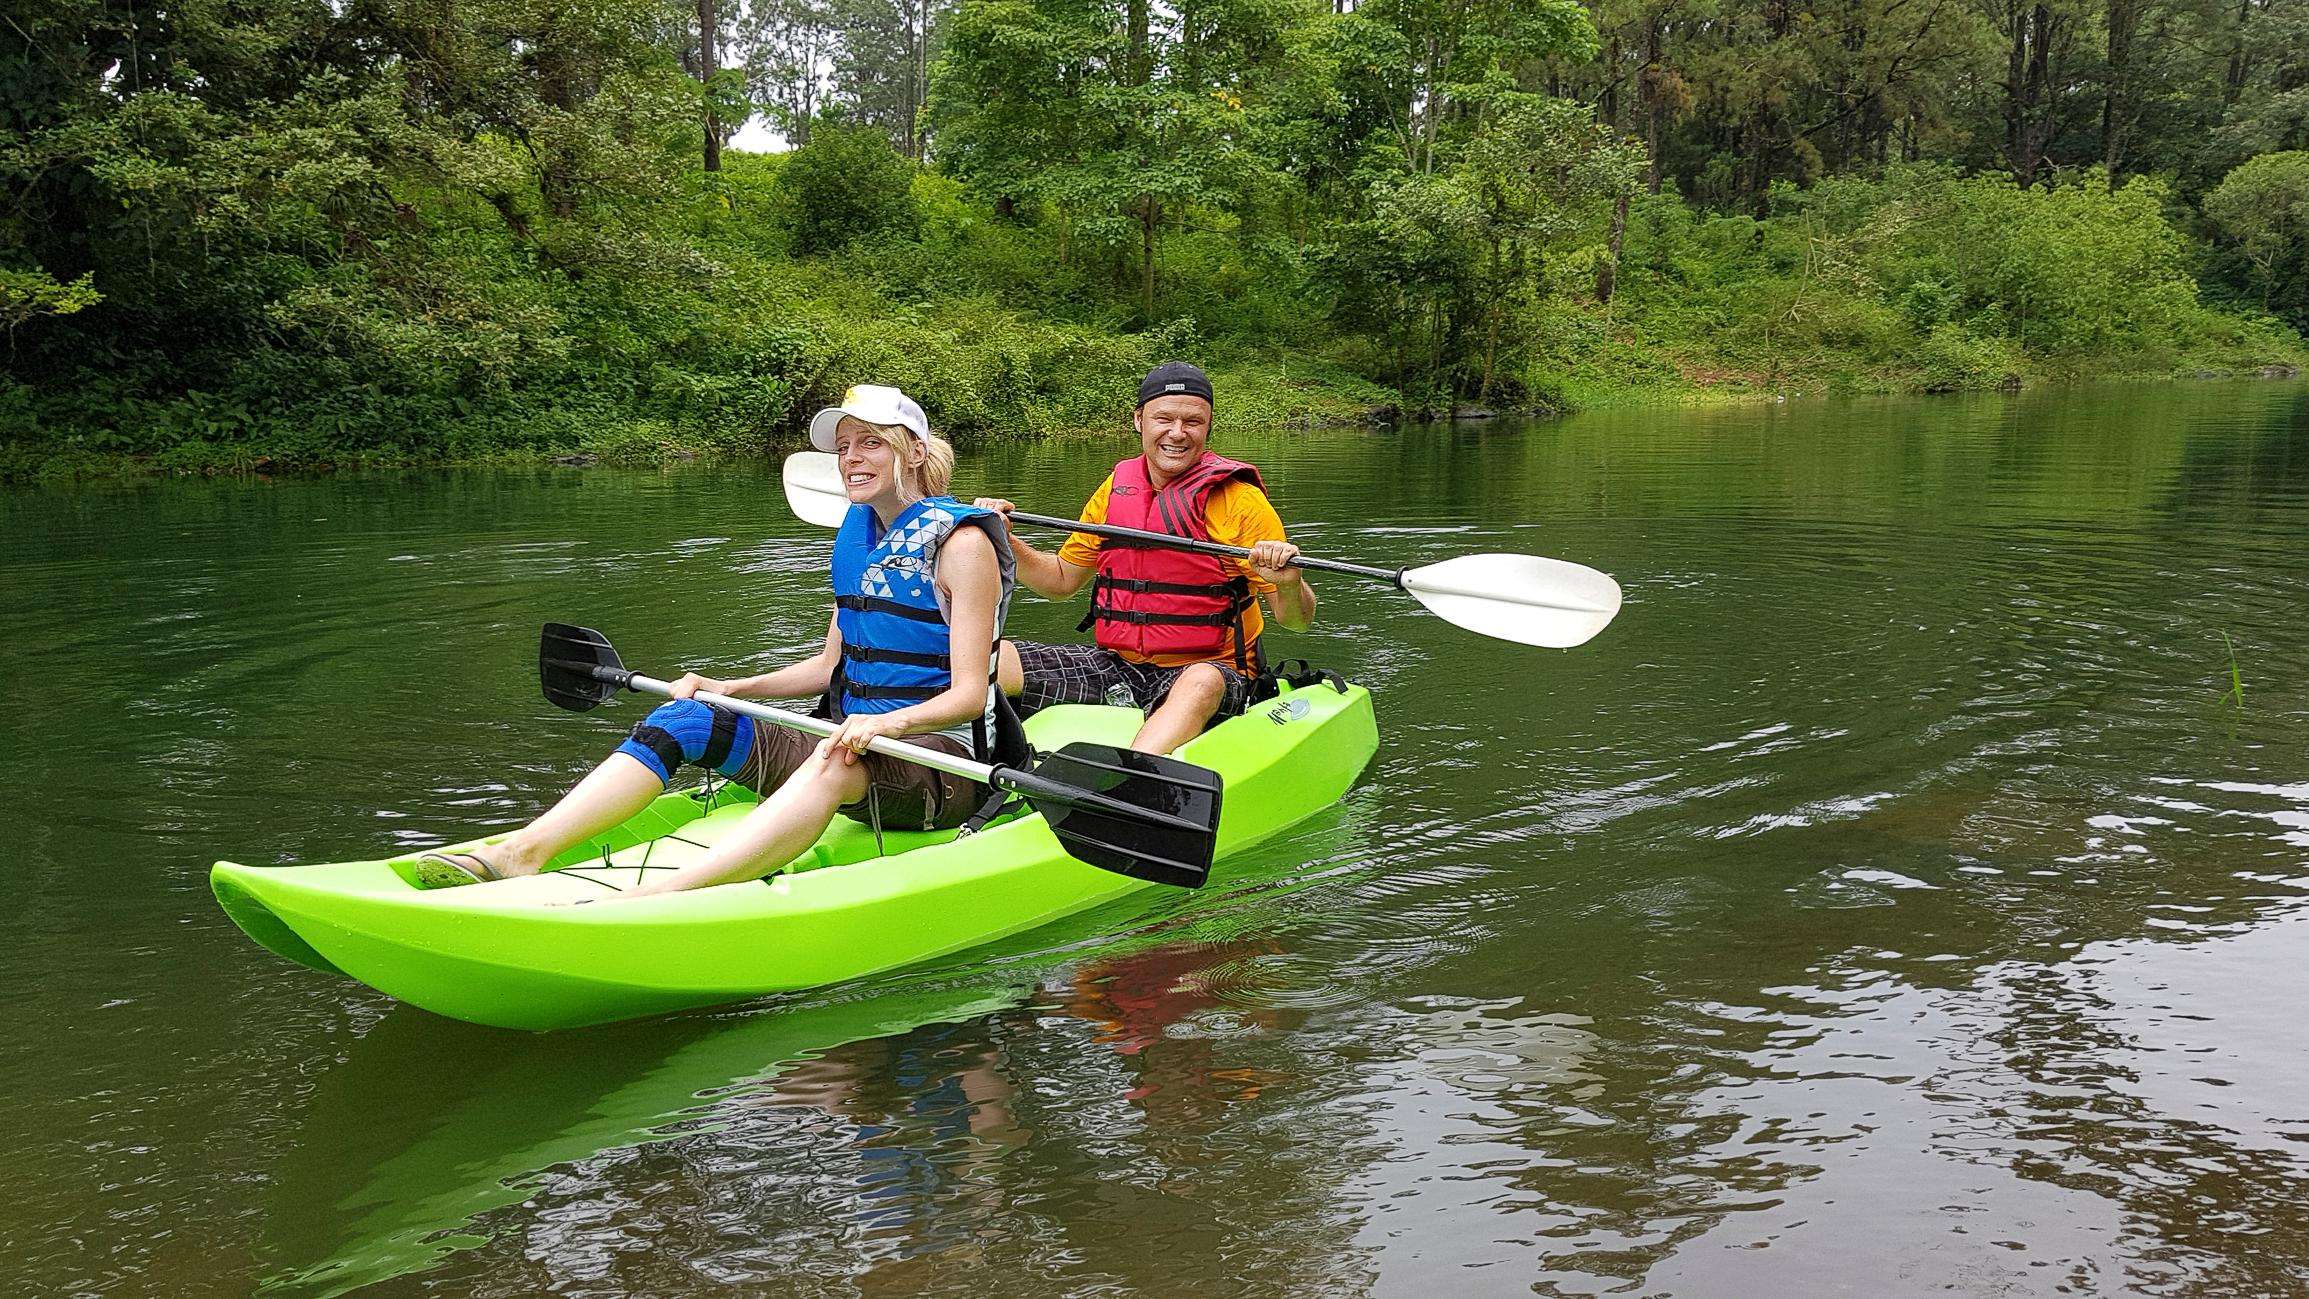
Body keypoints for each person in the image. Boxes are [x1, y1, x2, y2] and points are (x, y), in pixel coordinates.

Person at [411, 384, 1015, 897]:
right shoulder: (862, 537)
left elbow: (967, 696)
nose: (850, 459)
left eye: (869, 443)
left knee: (835, 758)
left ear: (910, 450)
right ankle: (521, 852)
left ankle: (662, 899)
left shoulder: (962, 547)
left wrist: (885, 727)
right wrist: (730, 687)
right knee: (687, 717)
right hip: (852, 741)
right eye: (842, 447)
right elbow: (832, 664)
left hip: (945, 764)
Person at [975, 362, 1315, 755]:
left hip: (1210, 670)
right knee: (989, 656)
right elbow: (1059, 582)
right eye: (1164, 419)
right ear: (1139, 420)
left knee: (1202, 681)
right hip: (1116, 667)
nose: (1177, 433)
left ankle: (1130, 774)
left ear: (1208, 426)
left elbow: (1297, 621)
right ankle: (965, 761)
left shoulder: (1240, 502)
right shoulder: (1115, 490)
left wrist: (1289, 582)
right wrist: (1004, 539)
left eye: (1192, 421)